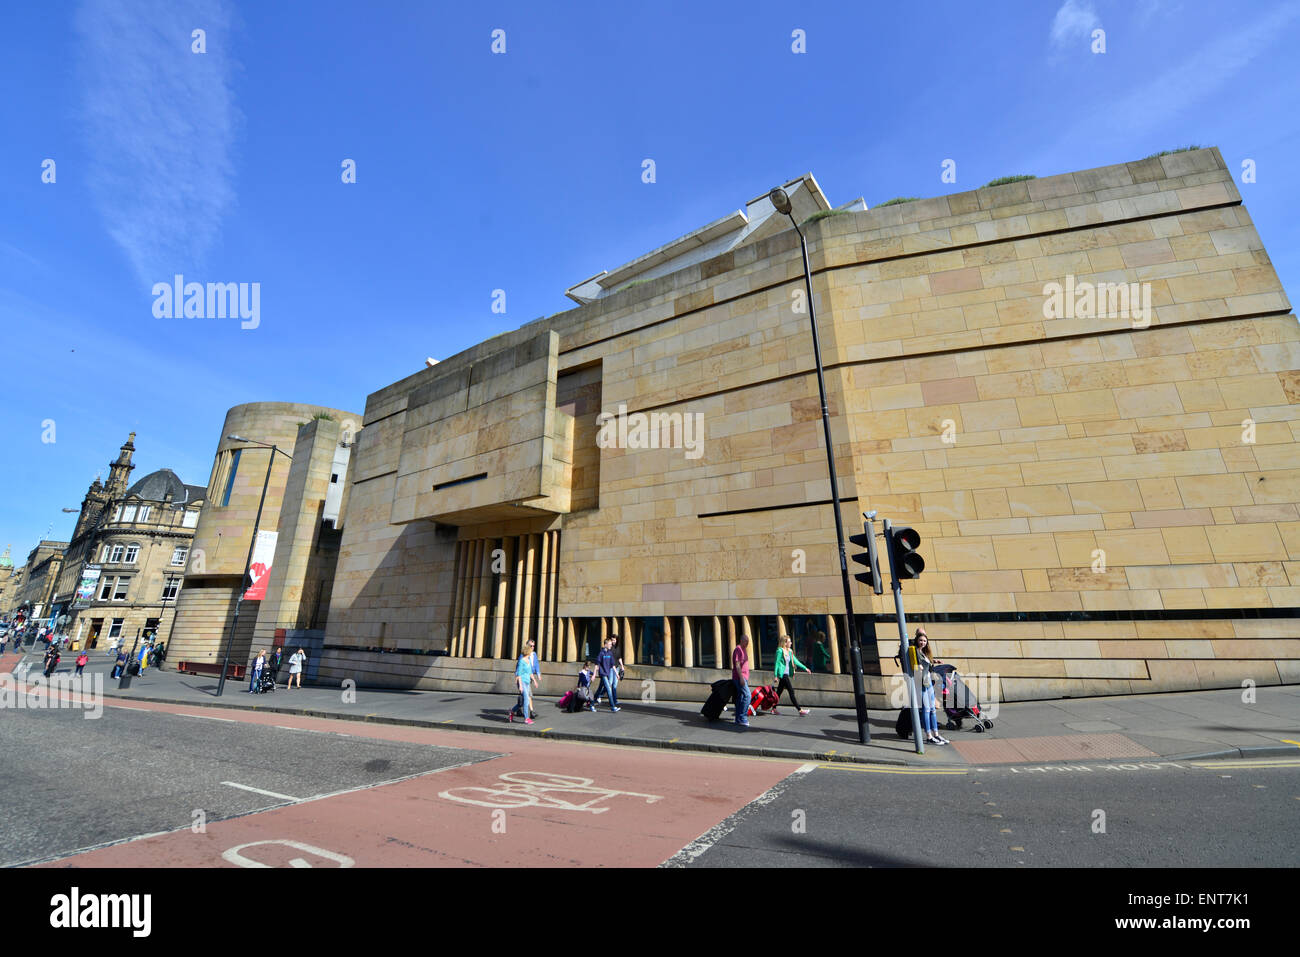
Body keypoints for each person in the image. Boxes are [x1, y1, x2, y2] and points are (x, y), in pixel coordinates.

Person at [913, 629, 949, 746]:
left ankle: (936, 734)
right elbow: (914, 665)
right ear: (917, 640)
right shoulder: (915, 652)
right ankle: (929, 736)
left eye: (924, 640)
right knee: (927, 710)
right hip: (922, 684)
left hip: (928, 684)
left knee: (933, 710)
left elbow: (926, 662)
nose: (922, 642)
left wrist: (934, 661)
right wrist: (918, 667)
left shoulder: (923, 652)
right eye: (920, 640)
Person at [772, 635, 812, 716]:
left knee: (779, 692)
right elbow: (776, 663)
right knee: (791, 691)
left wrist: (805, 668)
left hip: (787, 673)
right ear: (785, 643)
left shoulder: (790, 651)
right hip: (783, 674)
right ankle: (800, 710)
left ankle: (773, 708)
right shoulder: (780, 651)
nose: (791, 643)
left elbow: (796, 661)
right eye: (789, 641)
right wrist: (775, 675)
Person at [509, 641, 538, 724]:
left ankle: (512, 711)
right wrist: (520, 686)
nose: (532, 650)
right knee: (526, 700)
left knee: (523, 702)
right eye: (530, 649)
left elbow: (530, 673)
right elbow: (519, 674)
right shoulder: (522, 661)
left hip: (527, 682)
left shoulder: (528, 660)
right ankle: (526, 718)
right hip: (522, 683)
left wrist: (535, 681)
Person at [593, 637, 620, 712]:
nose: (611, 645)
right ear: (605, 644)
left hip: (607, 673)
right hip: (603, 673)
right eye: (610, 644)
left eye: (611, 644)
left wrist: (617, 674)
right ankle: (613, 707)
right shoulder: (601, 653)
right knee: (609, 689)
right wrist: (594, 674)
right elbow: (597, 664)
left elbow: (613, 665)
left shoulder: (610, 653)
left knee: (599, 690)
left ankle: (591, 704)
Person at [732, 634, 752, 728]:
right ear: (741, 640)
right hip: (739, 677)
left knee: (741, 697)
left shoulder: (744, 649)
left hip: (744, 677)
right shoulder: (738, 649)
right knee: (748, 696)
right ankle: (743, 717)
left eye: (748, 642)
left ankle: (738, 719)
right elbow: (737, 665)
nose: (747, 643)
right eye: (745, 641)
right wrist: (741, 678)